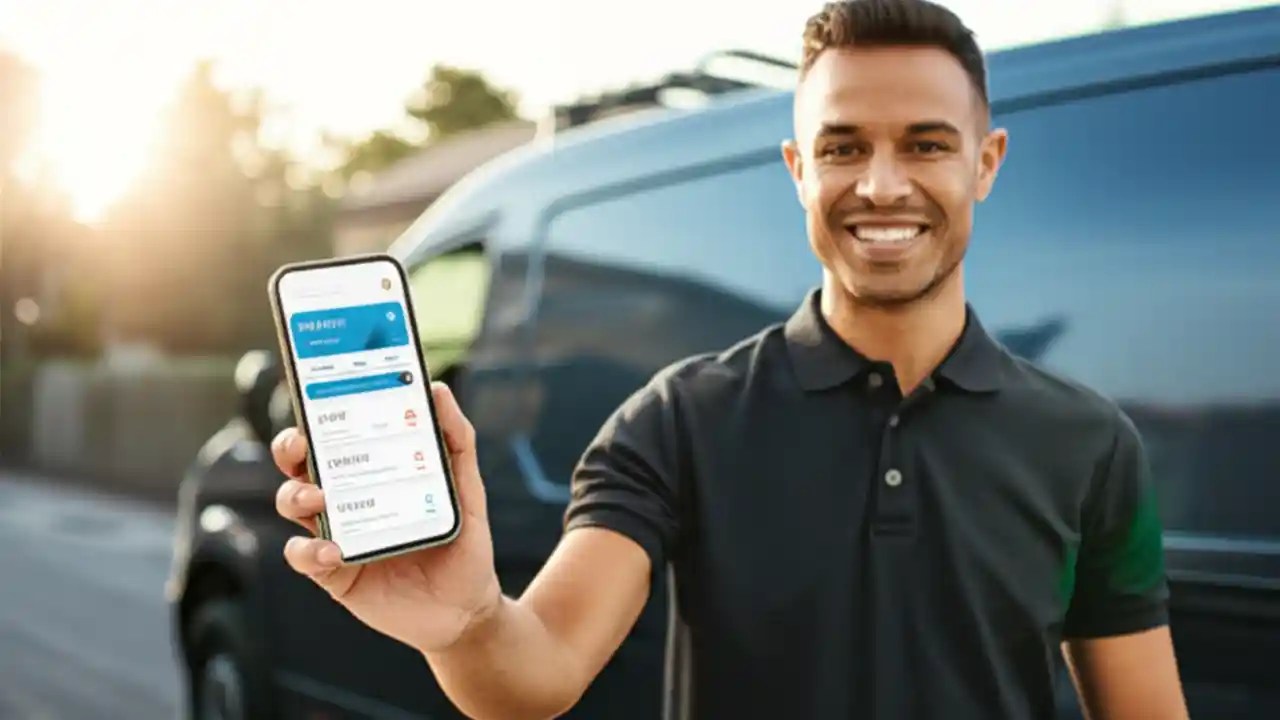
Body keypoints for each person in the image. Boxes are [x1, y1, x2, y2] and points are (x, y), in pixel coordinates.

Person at [272, 1, 1189, 717]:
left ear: (984, 164)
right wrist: (469, 624)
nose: (879, 184)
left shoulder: (1091, 444)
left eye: (925, 145)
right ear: (797, 167)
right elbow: (537, 673)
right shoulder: (679, 420)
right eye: (842, 148)